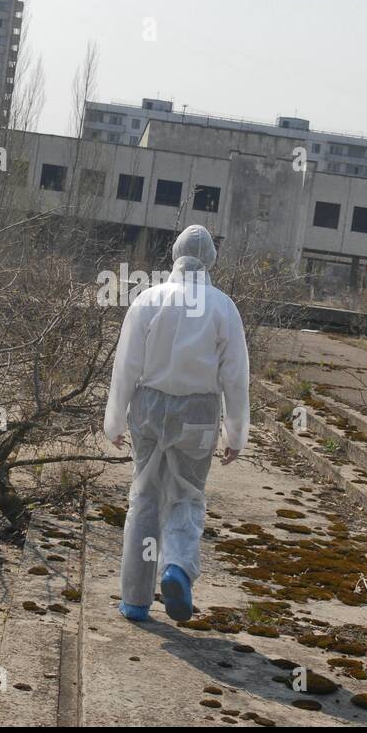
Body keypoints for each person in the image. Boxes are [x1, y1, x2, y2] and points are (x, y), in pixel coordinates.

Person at [103, 225, 250, 623]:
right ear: (210, 261)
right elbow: (235, 377)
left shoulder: (149, 299)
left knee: (145, 497)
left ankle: (135, 600)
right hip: (199, 413)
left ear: (174, 255)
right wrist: (235, 433)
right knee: (186, 495)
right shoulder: (223, 308)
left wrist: (114, 420)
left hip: (148, 408)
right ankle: (177, 568)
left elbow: (126, 366)